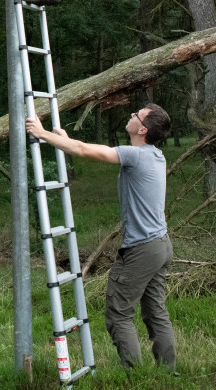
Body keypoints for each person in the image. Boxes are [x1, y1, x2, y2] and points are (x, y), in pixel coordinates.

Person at [25, 104, 177, 373]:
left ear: (142, 129)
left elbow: (85, 150)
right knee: (156, 312)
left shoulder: (136, 155)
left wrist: (43, 133)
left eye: (136, 115)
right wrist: (63, 139)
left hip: (142, 250)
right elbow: (82, 146)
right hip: (160, 245)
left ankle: (135, 376)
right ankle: (167, 373)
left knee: (118, 314)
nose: (130, 115)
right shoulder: (155, 155)